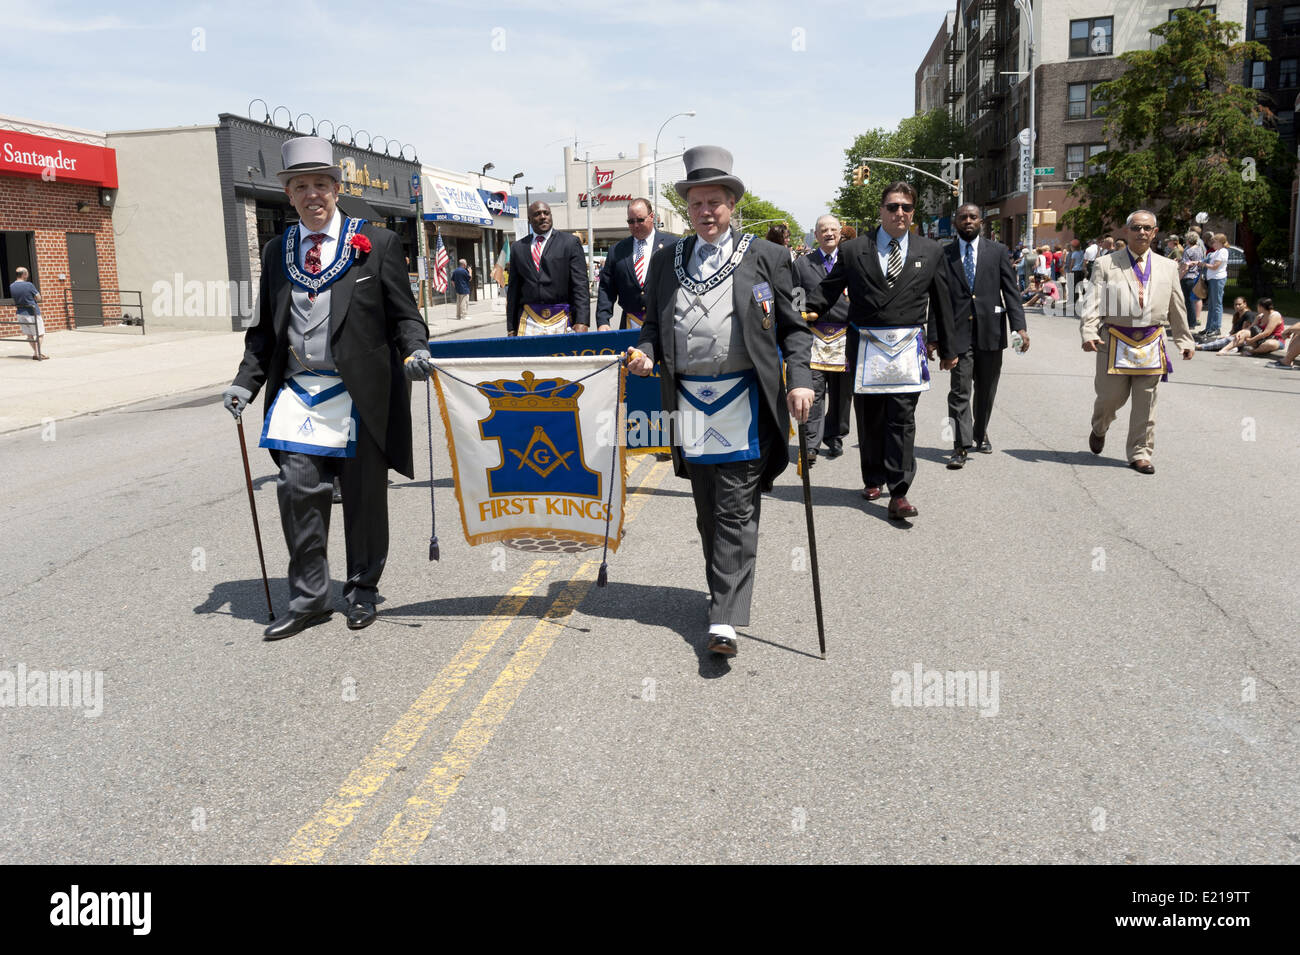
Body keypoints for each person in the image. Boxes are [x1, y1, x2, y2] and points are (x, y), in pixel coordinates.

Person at [221, 136, 431, 639]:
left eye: (320, 184)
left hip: (359, 392)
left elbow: (405, 315)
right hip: (298, 392)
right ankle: (310, 598)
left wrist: (415, 350)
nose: (311, 194)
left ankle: (362, 588)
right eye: (300, 186)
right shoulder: (277, 251)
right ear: (288, 195)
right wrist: (244, 383)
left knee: (363, 498)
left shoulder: (375, 243)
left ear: (337, 189)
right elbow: (266, 331)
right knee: (298, 489)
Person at [626, 146, 813, 656]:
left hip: (743, 400)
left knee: (735, 505)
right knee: (707, 509)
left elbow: (796, 331)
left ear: (733, 204)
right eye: (697, 202)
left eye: (716, 201)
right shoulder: (667, 261)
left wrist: (800, 380)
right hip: (688, 402)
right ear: (687, 207)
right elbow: (650, 327)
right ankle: (721, 591)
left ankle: (724, 618)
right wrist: (645, 354)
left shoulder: (769, 258)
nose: (706, 211)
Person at [804, 181, 957, 519]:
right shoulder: (854, 249)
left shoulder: (930, 251)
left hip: (907, 351)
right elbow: (827, 290)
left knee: (902, 420)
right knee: (871, 418)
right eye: (892, 207)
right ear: (881, 211)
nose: (899, 213)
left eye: (906, 207)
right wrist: (801, 311)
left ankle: (899, 492)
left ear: (912, 213)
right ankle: (873, 477)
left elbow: (944, 300)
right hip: (866, 348)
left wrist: (948, 346)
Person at [1081, 209, 1193, 475]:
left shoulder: (1168, 266)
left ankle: (1140, 452)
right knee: (1110, 399)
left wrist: (1184, 339)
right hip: (1114, 340)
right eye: (1136, 228)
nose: (1141, 232)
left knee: (1146, 402)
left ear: (1155, 233)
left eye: (1147, 228)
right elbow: (1093, 301)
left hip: (1152, 341)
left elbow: (1177, 306)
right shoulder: (1106, 264)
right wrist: (1089, 332)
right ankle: (1100, 426)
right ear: (1126, 231)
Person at [942, 203, 1028, 469]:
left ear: (980, 221)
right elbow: (938, 299)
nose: (967, 221)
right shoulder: (944, 254)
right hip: (958, 335)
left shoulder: (998, 252)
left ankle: (981, 432)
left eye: (972, 217)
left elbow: (1011, 293)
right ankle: (960, 445)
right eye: (962, 217)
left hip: (991, 332)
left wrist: (1019, 328)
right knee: (959, 391)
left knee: (986, 390)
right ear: (955, 222)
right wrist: (935, 337)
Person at [792, 214, 853, 465]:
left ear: (840, 233)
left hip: (846, 336)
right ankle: (811, 444)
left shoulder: (852, 261)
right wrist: (805, 314)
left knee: (841, 394)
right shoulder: (802, 265)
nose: (829, 233)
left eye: (833, 229)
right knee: (814, 394)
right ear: (815, 236)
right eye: (823, 230)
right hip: (814, 336)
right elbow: (795, 298)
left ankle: (835, 435)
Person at [506, 201, 590, 335]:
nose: (543, 216)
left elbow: (580, 284)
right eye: (537, 214)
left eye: (546, 213)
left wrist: (582, 321)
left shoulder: (569, 242)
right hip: (528, 321)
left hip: (562, 319)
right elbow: (513, 290)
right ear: (529, 220)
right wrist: (511, 327)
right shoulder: (518, 247)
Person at [594, 198, 677, 332]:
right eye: (631, 221)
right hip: (630, 324)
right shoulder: (617, 250)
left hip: (665, 324)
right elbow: (606, 288)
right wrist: (603, 320)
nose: (636, 225)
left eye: (640, 220)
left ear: (652, 217)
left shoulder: (673, 245)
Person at [1215, 298, 1285, 356]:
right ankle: (1225, 350)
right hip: (1261, 340)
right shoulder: (1260, 316)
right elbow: (1250, 328)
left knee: (1269, 344)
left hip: (1275, 340)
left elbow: (1267, 333)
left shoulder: (1275, 315)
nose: (1257, 308)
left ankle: (1252, 352)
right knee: (1244, 333)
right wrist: (1240, 332)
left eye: (1258, 306)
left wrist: (1252, 340)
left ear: (1261, 307)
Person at [10, 267, 47, 360]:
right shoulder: (29, 285)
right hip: (32, 312)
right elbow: (39, 298)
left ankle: (36, 352)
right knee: (40, 333)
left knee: (29, 335)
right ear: (24, 274)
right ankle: (37, 353)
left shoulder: (12, 286)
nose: (28, 275)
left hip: (20, 312)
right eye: (27, 273)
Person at [1202, 233, 1229, 339]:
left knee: (1217, 304)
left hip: (1218, 279)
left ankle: (1216, 328)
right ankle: (1209, 327)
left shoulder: (1223, 251)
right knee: (1211, 304)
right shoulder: (1216, 252)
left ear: (1221, 242)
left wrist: (1204, 265)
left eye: (1215, 242)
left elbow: (1215, 267)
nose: (1213, 244)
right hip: (1212, 279)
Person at [1178, 231, 1204, 331]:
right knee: (1193, 300)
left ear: (1188, 240)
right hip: (1196, 277)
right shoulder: (1200, 249)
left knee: (1188, 301)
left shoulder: (1188, 250)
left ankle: (1190, 323)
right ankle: (1192, 322)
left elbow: (1185, 267)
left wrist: (1179, 278)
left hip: (1188, 277)